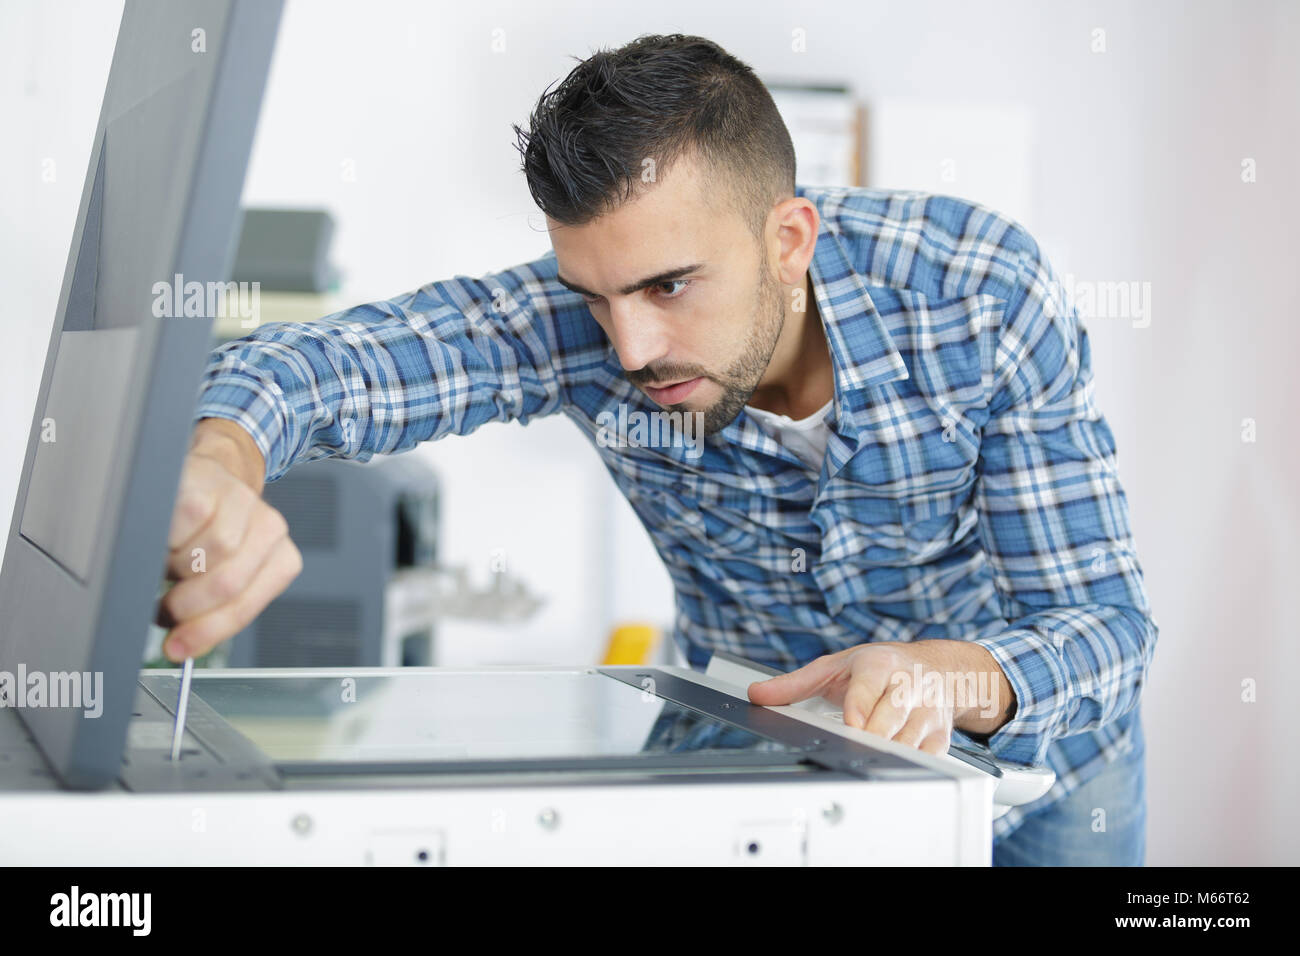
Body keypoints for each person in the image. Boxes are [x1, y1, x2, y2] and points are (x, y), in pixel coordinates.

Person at [158, 34, 1156, 865]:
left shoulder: (977, 292)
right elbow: (328, 364)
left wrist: (945, 676)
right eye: (595, 294)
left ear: (789, 240)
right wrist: (221, 459)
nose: (628, 348)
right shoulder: (587, 324)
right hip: (767, 765)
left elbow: (1108, 622)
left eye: (669, 286)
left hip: (1043, 774)